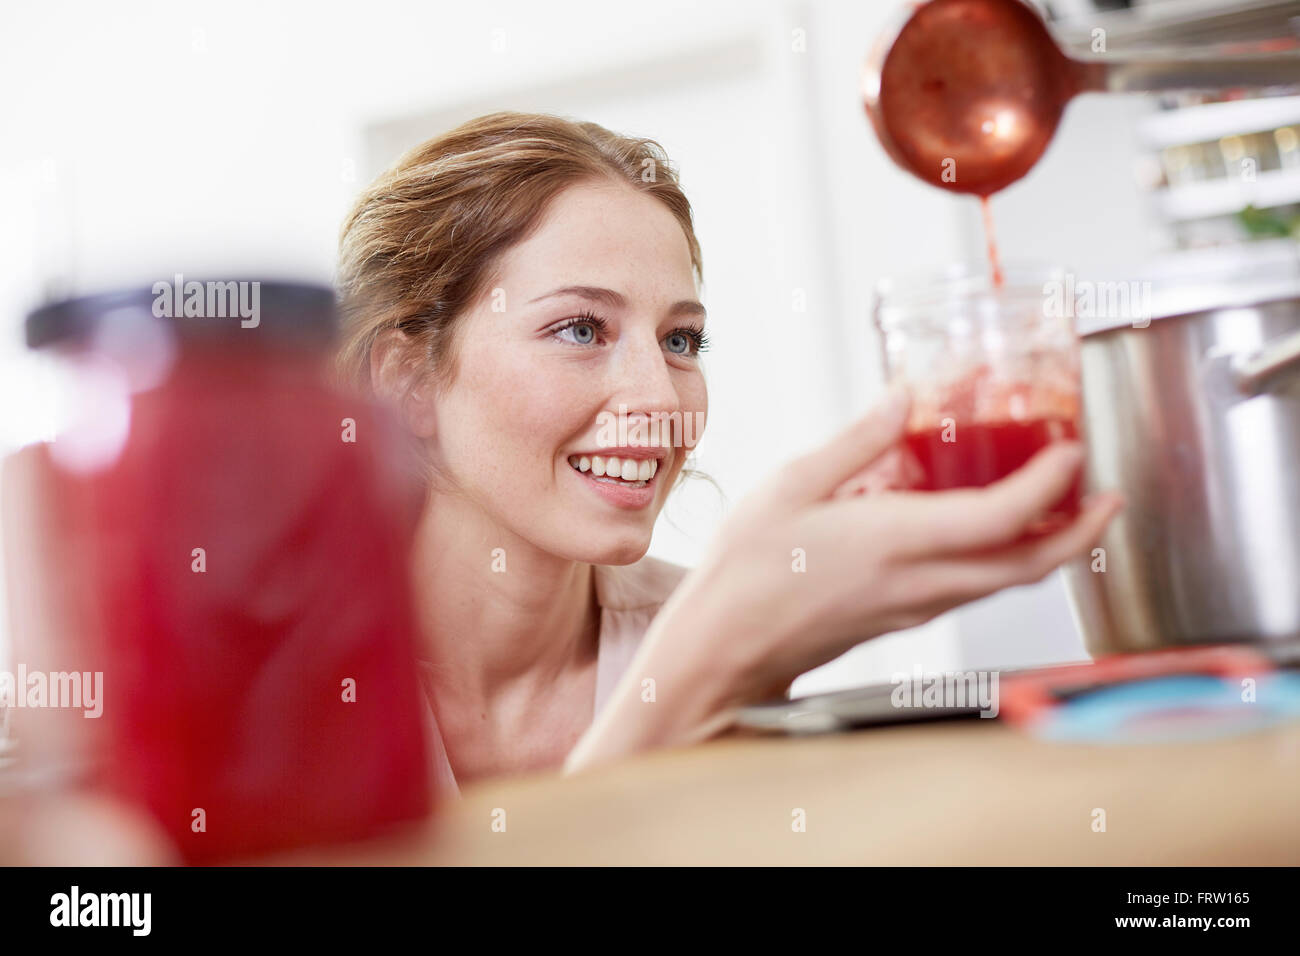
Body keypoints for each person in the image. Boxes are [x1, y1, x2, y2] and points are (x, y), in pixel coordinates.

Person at [335, 110, 1124, 791]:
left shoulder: (702, 621)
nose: (659, 398)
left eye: (680, 339)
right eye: (580, 329)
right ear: (408, 380)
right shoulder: (281, 686)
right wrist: (709, 655)